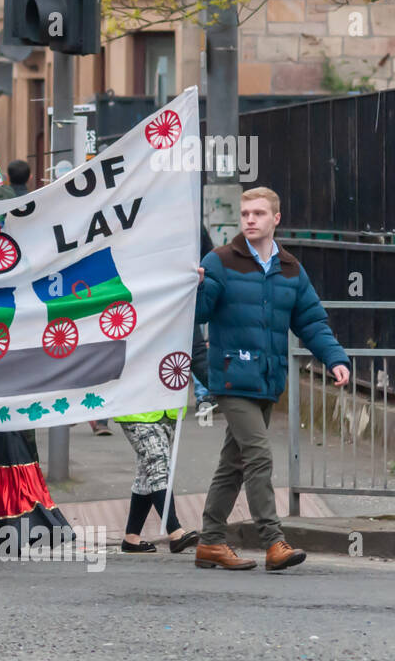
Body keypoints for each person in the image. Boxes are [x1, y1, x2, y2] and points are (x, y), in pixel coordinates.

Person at [194, 186, 350, 572]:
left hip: (267, 380)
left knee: (234, 464)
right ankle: (273, 541)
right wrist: (197, 286)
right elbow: (198, 314)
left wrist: (335, 359)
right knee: (259, 455)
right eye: (245, 213)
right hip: (231, 378)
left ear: (275, 219)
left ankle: (210, 541)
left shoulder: (291, 269)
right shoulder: (219, 261)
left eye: (259, 214)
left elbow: (311, 321)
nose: (250, 219)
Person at [114, 328, 208, 553]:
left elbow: (196, 353)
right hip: (136, 407)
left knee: (147, 474)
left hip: (167, 406)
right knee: (158, 466)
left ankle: (131, 538)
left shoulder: (184, 307)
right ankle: (175, 532)